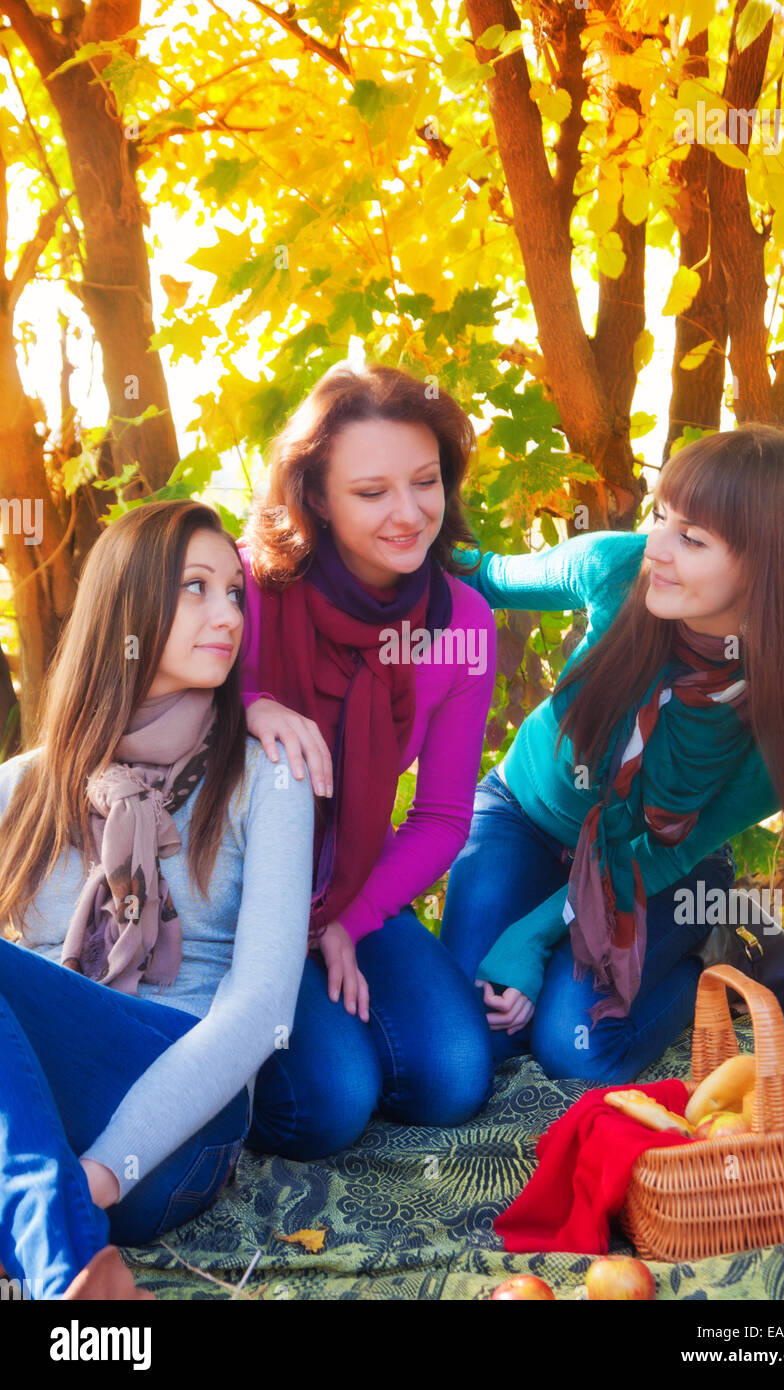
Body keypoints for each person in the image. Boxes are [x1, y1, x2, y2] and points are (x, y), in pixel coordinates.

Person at [440, 425, 784, 1081]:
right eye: (662, 516)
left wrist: (533, 935)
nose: (657, 548)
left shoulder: (783, 739)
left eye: (691, 539)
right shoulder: (617, 569)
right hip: (525, 817)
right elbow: (486, 576)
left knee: (575, 1047)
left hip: (652, 867)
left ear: (772, 566)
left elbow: (665, 852)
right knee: (469, 1043)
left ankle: (720, 964)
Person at [0, 500, 314, 1299]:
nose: (228, 615)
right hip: (45, 1120)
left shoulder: (266, 775)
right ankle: (77, 1279)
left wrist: (103, 1175)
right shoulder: (24, 788)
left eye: (234, 592)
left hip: (177, 1137)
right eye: (196, 589)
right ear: (128, 605)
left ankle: (56, 1240)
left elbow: (262, 1009)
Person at [238, 362, 498, 1157]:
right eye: (371, 491)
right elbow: (158, 708)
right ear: (314, 495)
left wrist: (351, 920)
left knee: (454, 1077)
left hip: (346, 875)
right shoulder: (247, 586)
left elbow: (444, 817)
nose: (409, 513)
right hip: (236, 888)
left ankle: (325, 997)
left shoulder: (463, 623)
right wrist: (252, 703)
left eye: (425, 482)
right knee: (330, 1107)